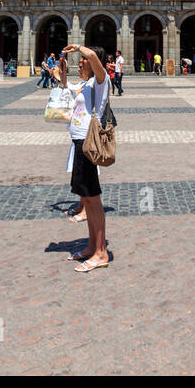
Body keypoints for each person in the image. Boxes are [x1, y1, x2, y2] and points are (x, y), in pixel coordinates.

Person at [59, 43, 111, 272]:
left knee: (94, 199)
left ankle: (101, 253)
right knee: (87, 200)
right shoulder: (86, 85)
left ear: (93, 62)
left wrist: (78, 47)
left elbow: (91, 56)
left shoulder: (101, 81)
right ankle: (92, 246)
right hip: (78, 143)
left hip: (89, 144)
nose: (80, 63)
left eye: (83, 61)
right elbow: (67, 93)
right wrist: (60, 77)